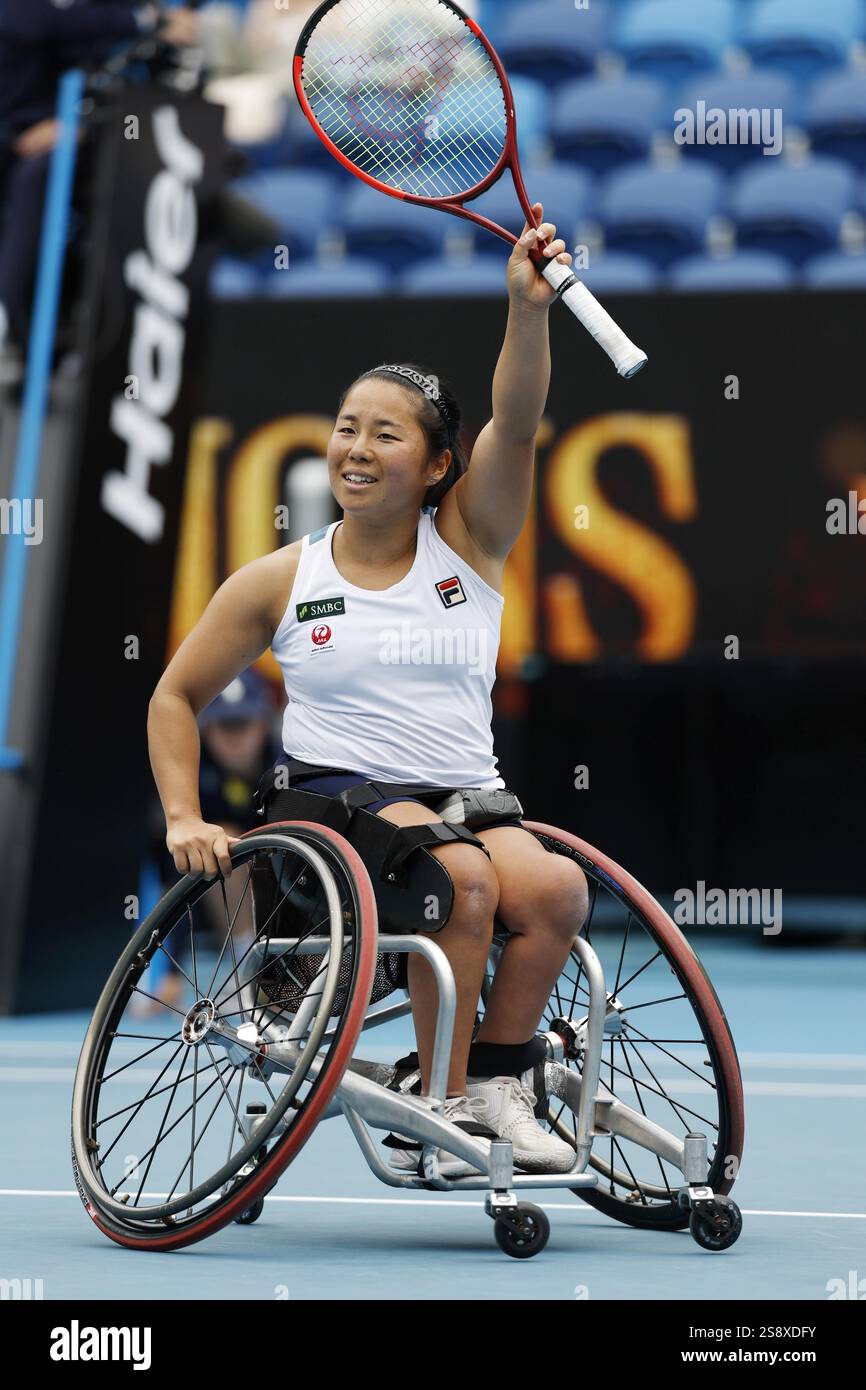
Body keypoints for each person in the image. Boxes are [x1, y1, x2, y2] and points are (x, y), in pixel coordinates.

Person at [147, 205, 589, 1177]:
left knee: (556, 887)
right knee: (464, 879)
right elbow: (174, 697)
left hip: (464, 800)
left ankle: (491, 1079)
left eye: (383, 435)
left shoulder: (468, 545)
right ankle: (434, 1097)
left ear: (436, 465)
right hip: (331, 811)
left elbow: (514, 419)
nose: (354, 447)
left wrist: (526, 309)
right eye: (344, 428)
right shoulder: (279, 578)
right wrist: (185, 813)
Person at [0, 1, 200, 384]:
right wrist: (146, 21)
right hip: (20, 127)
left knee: (36, 177)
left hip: (100, 137)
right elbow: (29, 21)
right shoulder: (116, 15)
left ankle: (12, 317)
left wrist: (81, 123)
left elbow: (140, 74)